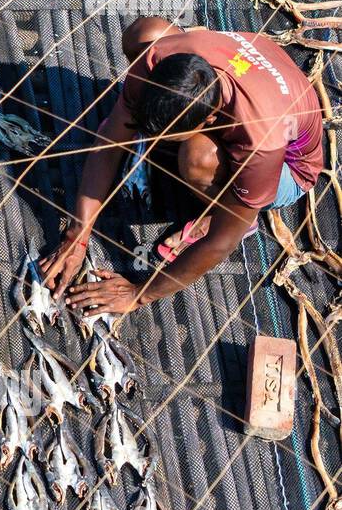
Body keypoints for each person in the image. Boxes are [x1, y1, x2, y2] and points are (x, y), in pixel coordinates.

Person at [40, 16, 323, 315]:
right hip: (259, 73)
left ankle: (233, 214)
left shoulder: (260, 141)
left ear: (209, 120)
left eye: (164, 134)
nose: (151, 139)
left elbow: (220, 243)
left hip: (289, 168)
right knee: (144, 32)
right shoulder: (158, 58)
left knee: (197, 159)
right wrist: (77, 236)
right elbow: (110, 142)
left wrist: (138, 294)